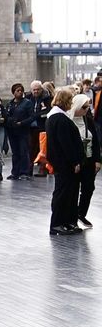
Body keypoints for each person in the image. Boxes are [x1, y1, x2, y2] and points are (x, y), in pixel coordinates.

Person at [46, 88, 84, 235]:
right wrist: (75, 161)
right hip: (64, 163)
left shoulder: (54, 116)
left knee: (69, 192)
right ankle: (58, 223)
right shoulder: (60, 119)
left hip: (61, 162)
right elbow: (65, 143)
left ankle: (67, 222)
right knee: (63, 193)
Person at [74, 91, 98, 228]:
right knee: (73, 189)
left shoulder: (88, 120)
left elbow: (95, 141)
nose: (86, 110)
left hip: (88, 159)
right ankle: (72, 215)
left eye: (88, 107)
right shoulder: (69, 120)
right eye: (83, 107)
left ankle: (81, 213)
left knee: (89, 187)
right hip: (75, 161)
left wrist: (97, 160)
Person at [6, 83, 37, 180]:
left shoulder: (27, 103)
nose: (20, 92)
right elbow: (7, 115)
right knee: (15, 152)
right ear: (13, 92)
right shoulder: (10, 104)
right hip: (12, 131)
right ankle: (15, 172)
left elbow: (32, 117)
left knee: (24, 151)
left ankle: (24, 172)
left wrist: (22, 123)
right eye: (17, 91)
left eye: (21, 91)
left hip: (23, 131)